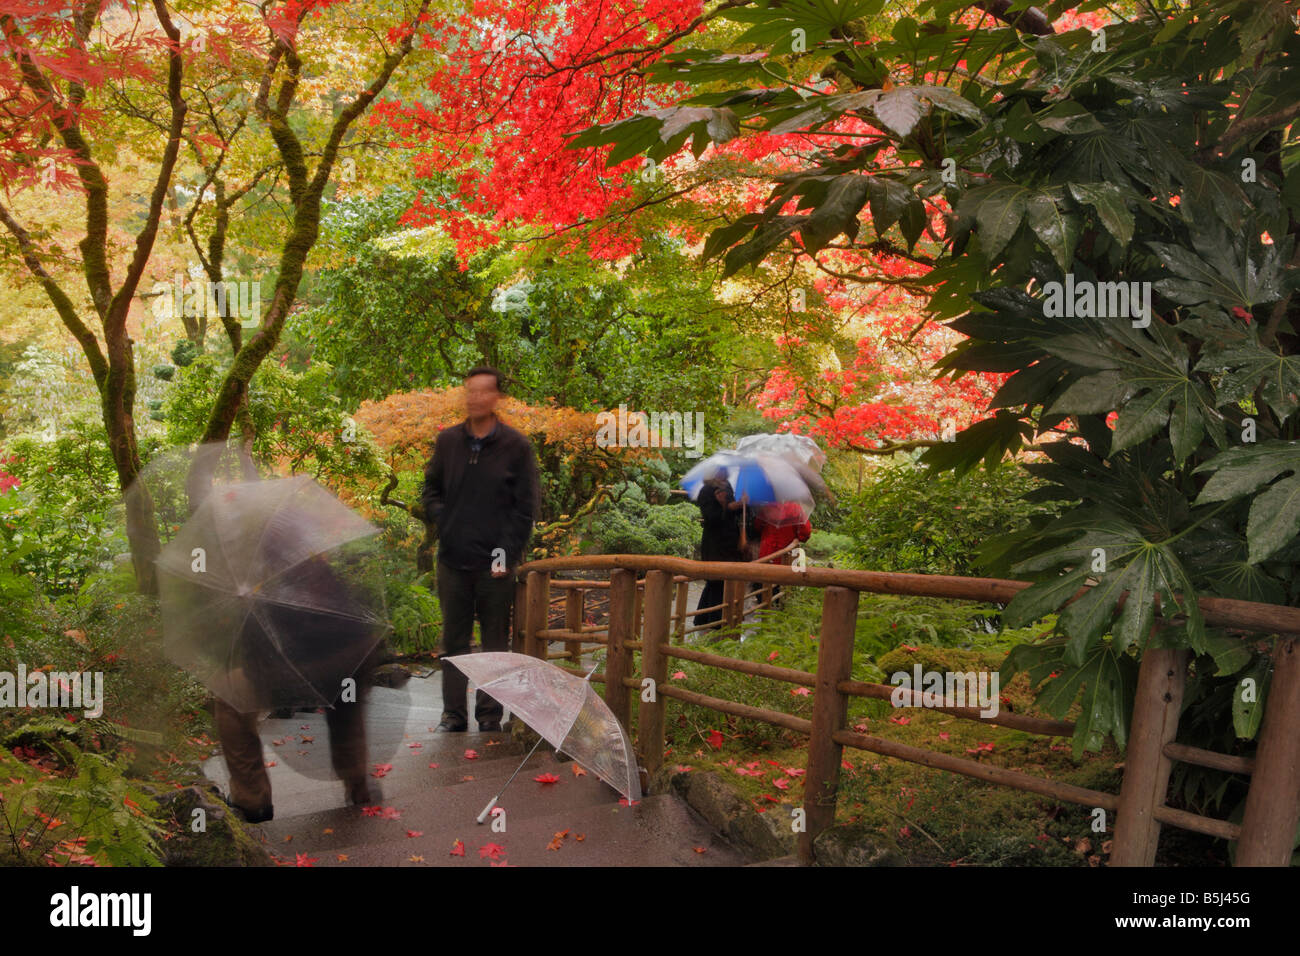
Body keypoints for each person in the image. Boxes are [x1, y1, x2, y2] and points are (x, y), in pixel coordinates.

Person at [420, 366, 541, 733]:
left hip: (496, 564)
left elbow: (525, 508)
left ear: (497, 397)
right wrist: (445, 522)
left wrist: (505, 553)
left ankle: (489, 715)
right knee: (453, 642)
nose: (475, 398)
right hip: (453, 560)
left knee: (493, 642)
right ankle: (452, 714)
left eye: (483, 391)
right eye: (470, 391)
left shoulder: (516, 446)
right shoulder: (448, 442)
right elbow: (430, 489)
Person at [691, 473, 755, 629]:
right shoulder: (706, 491)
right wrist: (726, 507)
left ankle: (703, 619)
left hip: (730, 543)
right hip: (715, 543)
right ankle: (715, 622)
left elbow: (737, 514)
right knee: (716, 581)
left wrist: (743, 504)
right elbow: (711, 517)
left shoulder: (729, 487)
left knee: (718, 582)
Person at [753, 500, 812, 605]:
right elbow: (805, 533)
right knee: (781, 587)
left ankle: (764, 612)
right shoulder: (796, 509)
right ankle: (777, 610)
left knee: (763, 586)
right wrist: (796, 537)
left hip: (766, 553)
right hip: (786, 556)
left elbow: (757, 526)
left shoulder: (766, 509)